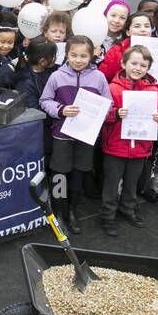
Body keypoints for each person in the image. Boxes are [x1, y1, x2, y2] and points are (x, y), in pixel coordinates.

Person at [39, 35, 110, 235]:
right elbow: (45, 100)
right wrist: (61, 110)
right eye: (74, 55)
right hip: (62, 134)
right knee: (60, 174)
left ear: (91, 56)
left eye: (83, 56)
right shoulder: (56, 76)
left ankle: (72, 211)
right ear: (66, 54)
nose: (78, 59)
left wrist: (97, 116)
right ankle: (59, 212)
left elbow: (108, 103)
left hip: (85, 135)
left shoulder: (99, 77)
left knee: (79, 172)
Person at [101, 45, 158, 234]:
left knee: (132, 182)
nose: (138, 68)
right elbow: (104, 114)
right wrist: (115, 114)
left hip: (140, 146)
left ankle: (128, 209)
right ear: (123, 64)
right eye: (134, 63)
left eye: (143, 65)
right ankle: (107, 215)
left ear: (148, 68)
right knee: (111, 183)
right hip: (115, 146)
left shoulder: (153, 90)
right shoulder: (112, 88)